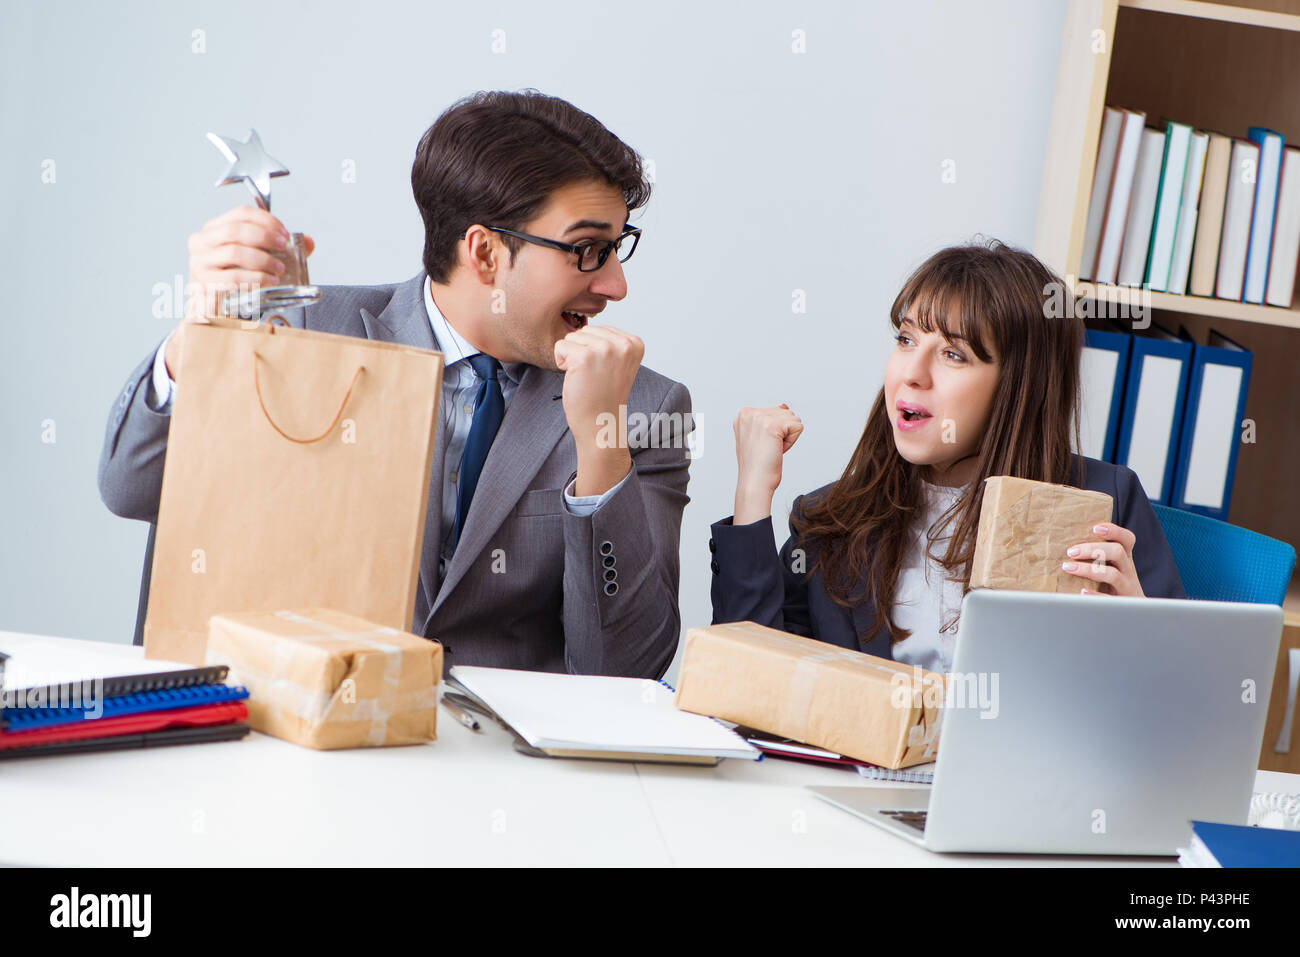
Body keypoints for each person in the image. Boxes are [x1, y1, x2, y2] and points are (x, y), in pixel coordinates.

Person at [98, 90, 692, 679]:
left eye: (617, 249)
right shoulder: (306, 334)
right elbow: (132, 489)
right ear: (484, 253)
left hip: (499, 767)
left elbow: (627, 670)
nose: (616, 286)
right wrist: (196, 339)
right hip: (305, 730)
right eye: (587, 250)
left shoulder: (642, 408)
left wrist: (601, 448)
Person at [709, 239, 1184, 671]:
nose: (912, 373)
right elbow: (751, 679)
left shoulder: (1104, 502)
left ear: (1019, 387)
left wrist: (1139, 632)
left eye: (954, 354)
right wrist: (753, 492)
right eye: (906, 339)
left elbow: (1176, 712)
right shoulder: (828, 521)